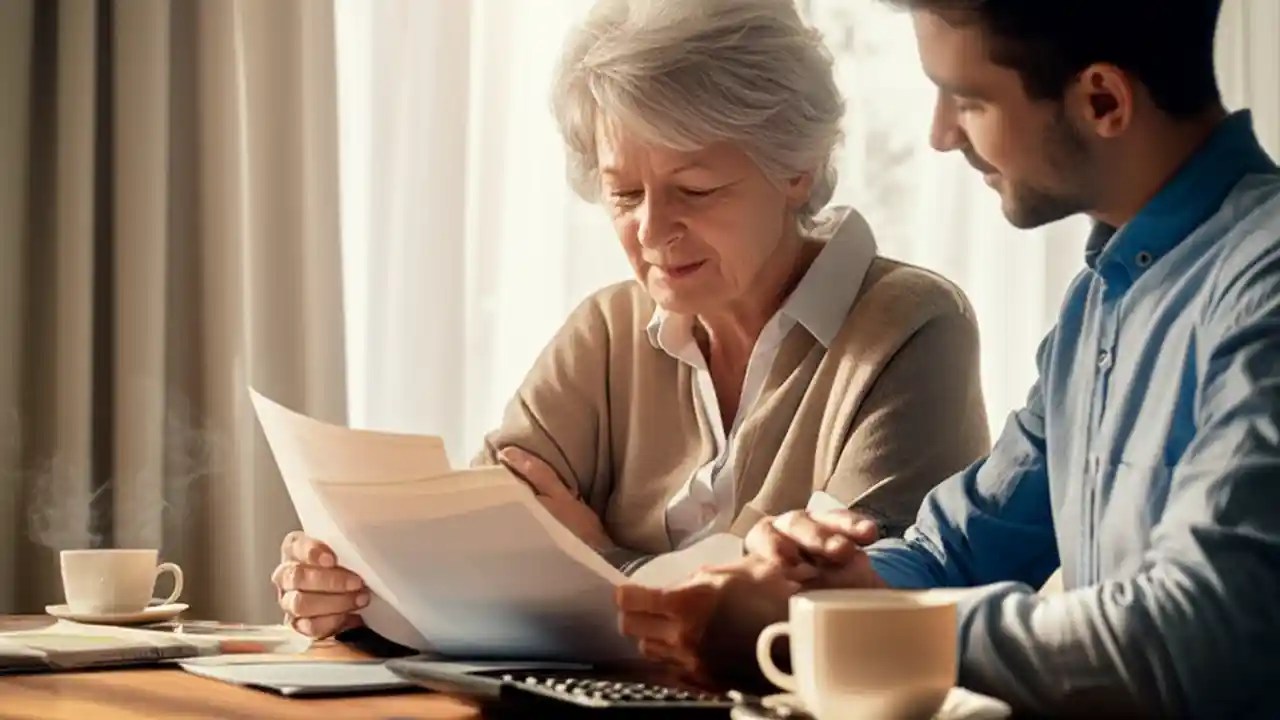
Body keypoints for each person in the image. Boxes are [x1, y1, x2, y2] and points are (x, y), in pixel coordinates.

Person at [616, 0, 1280, 716]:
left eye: (968, 100)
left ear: (1102, 100)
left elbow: (1200, 636)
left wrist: (832, 628)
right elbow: (956, 550)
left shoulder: (1262, 285)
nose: (939, 136)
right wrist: (819, 583)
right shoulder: (1098, 305)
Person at [270, 0, 991, 643]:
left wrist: (600, 561)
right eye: (623, 192)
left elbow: (834, 609)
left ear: (796, 167)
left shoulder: (911, 329)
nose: (651, 230)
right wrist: (353, 585)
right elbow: (479, 566)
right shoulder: (608, 329)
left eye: (695, 189)